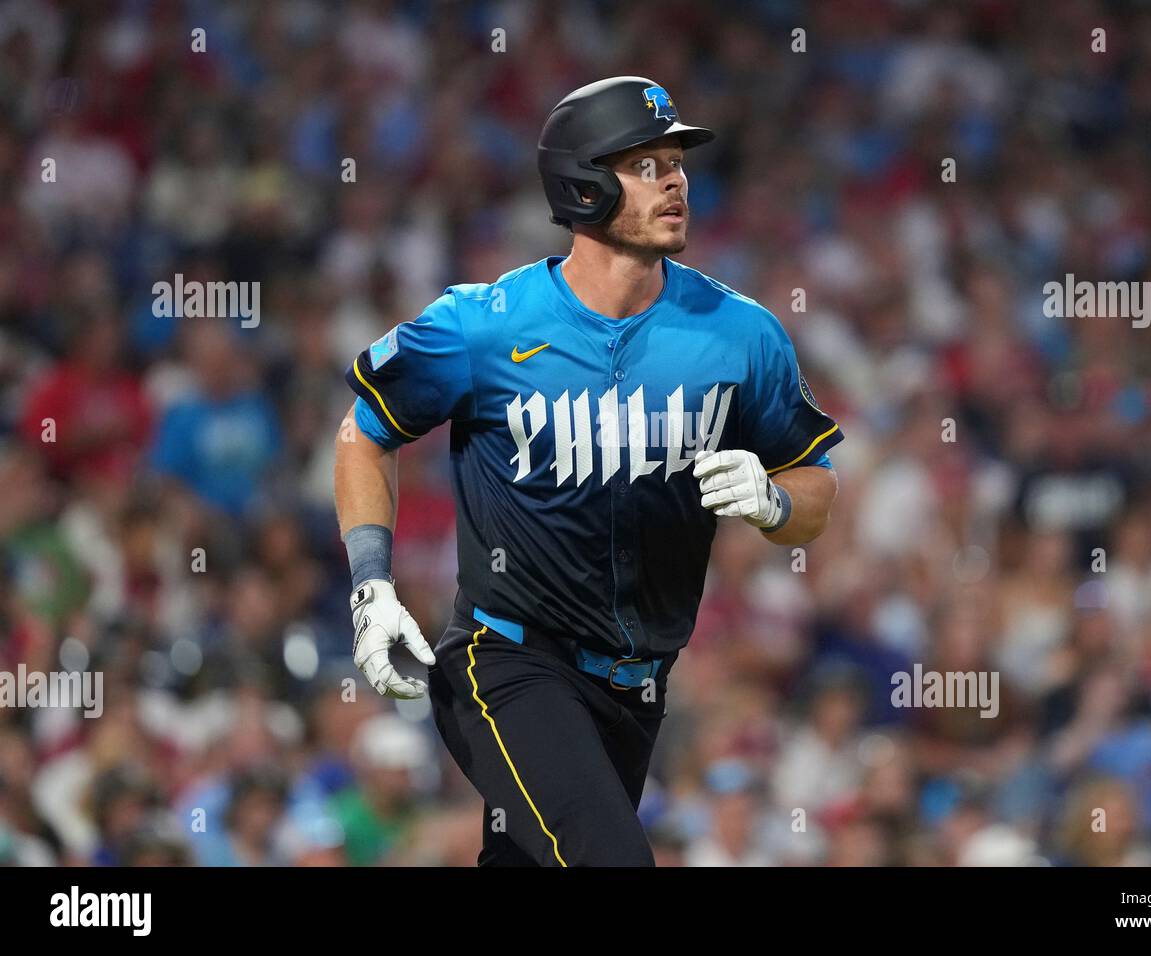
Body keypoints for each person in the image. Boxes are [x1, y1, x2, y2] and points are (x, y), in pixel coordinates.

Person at [333, 76, 843, 866]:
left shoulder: (742, 334)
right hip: (504, 661)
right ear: (583, 184)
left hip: (638, 689)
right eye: (646, 164)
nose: (675, 180)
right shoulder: (483, 326)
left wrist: (776, 500)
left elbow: (815, 488)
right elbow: (364, 433)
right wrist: (372, 584)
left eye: (677, 162)